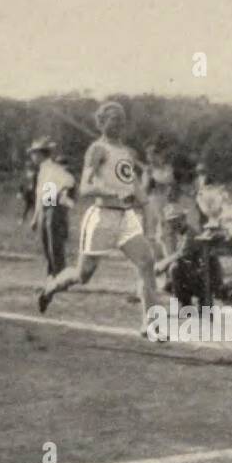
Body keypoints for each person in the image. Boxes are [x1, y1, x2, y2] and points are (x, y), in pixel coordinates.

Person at [37, 101, 161, 334]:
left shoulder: (126, 152)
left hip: (126, 218)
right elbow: (85, 187)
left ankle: (151, 323)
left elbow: (134, 187)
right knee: (83, 275)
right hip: (102, 217)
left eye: (122, 118)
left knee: (146, 262)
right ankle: (52, 286)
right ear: (101, 122)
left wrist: (146, 208)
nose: (119, 122)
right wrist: (113, 193)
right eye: (113, 118)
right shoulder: (97, 149)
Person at [27, 138, 76, 278]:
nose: (32, 157)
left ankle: (59, 276)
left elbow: (70, 181)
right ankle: (52, 275)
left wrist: (63, 200)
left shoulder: (53, 168)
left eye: (34, 153)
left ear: (41, 154)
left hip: (53, 207)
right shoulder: (42, 170)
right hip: (46, 208)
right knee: (46, 243)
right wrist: (36, 217)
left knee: (54, 244)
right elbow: (40, 195)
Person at [155, 205, 219, 307]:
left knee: (174, 268)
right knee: (171, 274)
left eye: (177, 220)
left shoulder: (190, 234)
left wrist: (162, 265)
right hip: (199, 274)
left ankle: (187, 304)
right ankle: (186, 305)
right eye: (171, 222)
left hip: (205, 278)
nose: (175, 224)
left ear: (184, 219)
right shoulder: (181, 234)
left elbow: (182, 254)